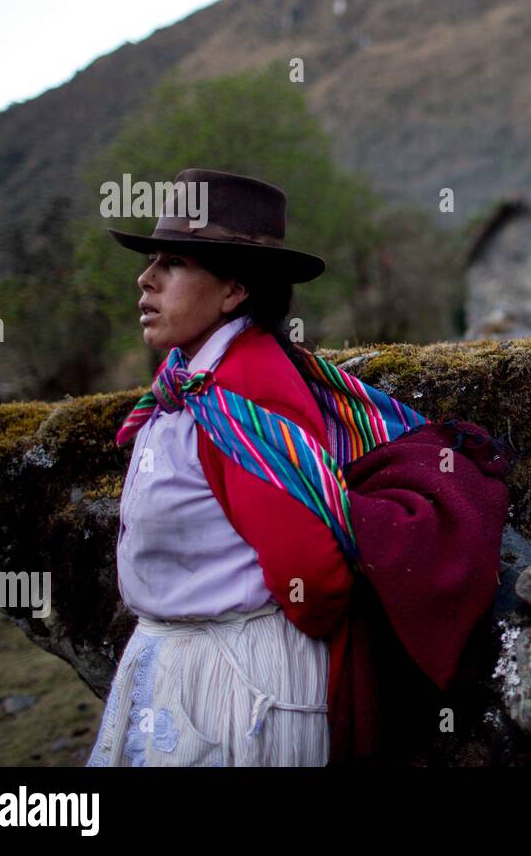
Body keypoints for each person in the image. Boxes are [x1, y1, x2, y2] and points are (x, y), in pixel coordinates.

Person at [88, 168, 400, 766]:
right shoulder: (192, 382)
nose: (145, 278)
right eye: (152, 259)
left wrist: (237, 649)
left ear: (234, 291)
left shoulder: (246, 390)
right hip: (181, 665)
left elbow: (314, 578)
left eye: (173, 263)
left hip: (233, 691)